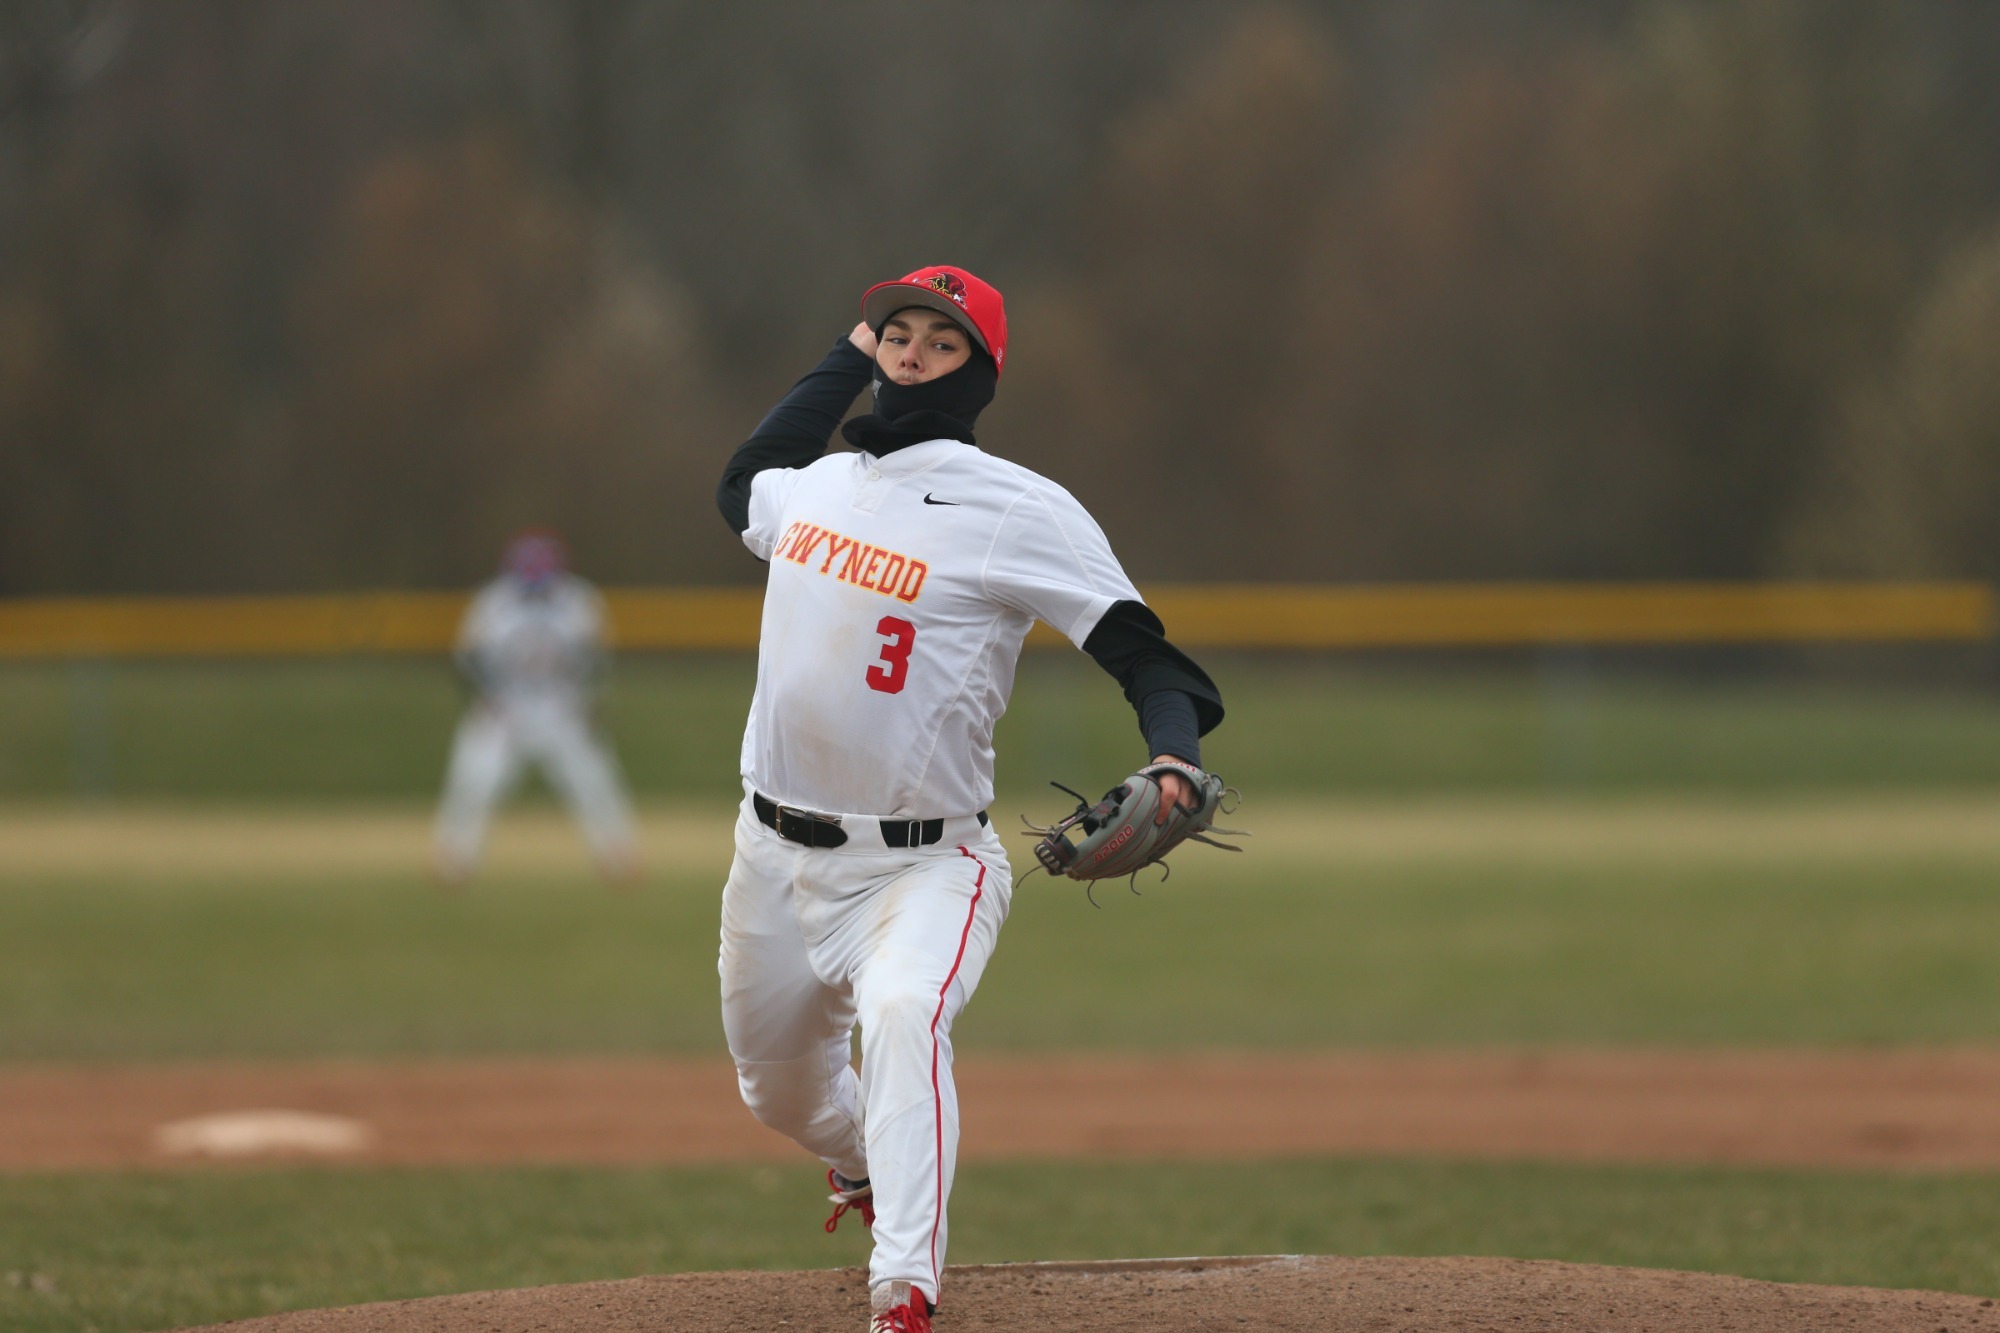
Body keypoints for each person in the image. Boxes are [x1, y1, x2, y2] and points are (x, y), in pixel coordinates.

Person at [714, 265, 1224, 1332]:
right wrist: (843, 352)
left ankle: (902, 1291)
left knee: (904, 1012)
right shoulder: (818, 484)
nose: (910, 351)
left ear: (979, 371)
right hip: (769, 852)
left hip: (923, 866)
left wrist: (1172, 758)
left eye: (938, 341)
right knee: (777, 1093)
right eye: (897, 331)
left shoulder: (1016, 509)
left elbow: (1151, 660)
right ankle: (860, 1162)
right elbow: (742, 480)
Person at [431, 530, 641, 888]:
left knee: (594, 781)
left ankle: (619, 855)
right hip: (506, 708)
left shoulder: (578, 602)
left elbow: (596, 660)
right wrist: (485, 698)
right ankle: (454, 858)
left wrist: (586, 701)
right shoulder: (493, 604)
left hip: (559, 708)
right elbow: (467, 659)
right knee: (474, 780)